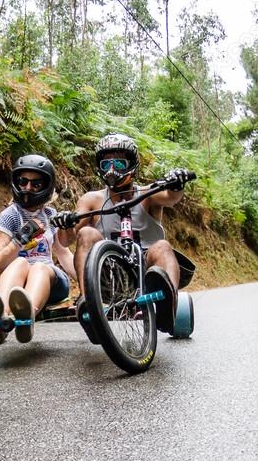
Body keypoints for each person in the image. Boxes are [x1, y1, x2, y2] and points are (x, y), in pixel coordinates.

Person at [51, 133, 193, 334]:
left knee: (163, 246)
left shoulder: (147, 194)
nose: (111, 170)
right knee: (87, 234)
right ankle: (89, 302)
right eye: (105, 164)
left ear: (131, 165)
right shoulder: (92, 199)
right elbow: (67, 239)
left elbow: (171, 198)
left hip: (147, 272)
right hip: (108, 272)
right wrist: (65, 224)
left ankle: (166, 306)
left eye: (118, 164)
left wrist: (177, 183)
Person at [0, 154, 76, 345]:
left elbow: (63, 252)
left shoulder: (51, 215)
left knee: (38, 266)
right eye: (23, 182)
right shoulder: (10, 216)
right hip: (19, 285)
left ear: (46, 186)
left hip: (52, 281)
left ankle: (28, 314)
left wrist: (87, 282)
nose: (28, 188)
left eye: (36, 183)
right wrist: (20, 239)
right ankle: (2, 318)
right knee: (20, 262)